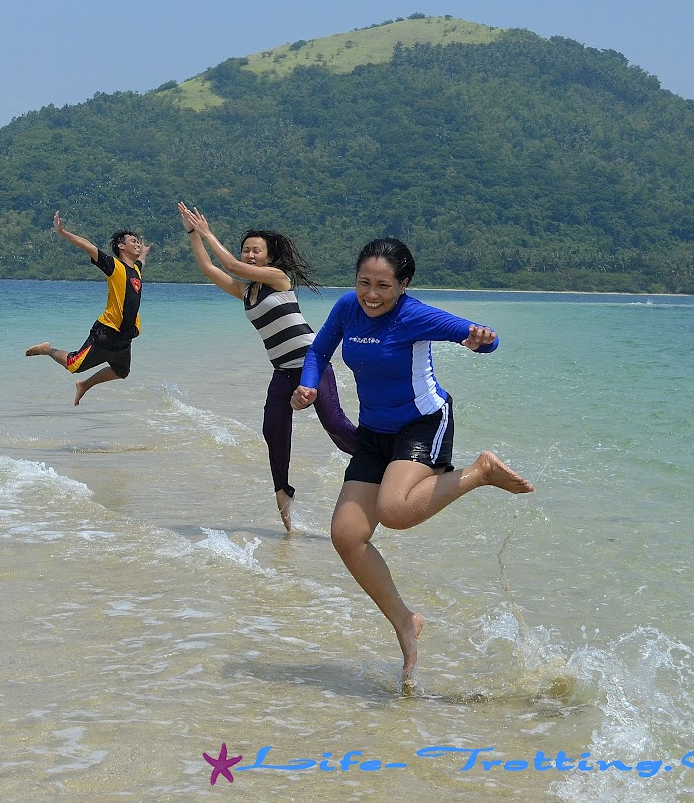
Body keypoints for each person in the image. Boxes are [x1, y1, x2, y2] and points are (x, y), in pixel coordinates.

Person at [292, 237, 533, 677]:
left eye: (383, 285)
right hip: (374, 433)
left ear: (403, 284)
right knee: (347, 535)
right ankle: (405, 621)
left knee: (396, 511)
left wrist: (481, 340)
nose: (371, 293)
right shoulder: (347, 307)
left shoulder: (414, 315)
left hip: (422, 423)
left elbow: (482, 339)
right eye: (364, 282)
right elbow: (318, 351)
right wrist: (309, 384)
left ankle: (479, 472)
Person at [177, 202, 357, 532]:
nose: (248, 256)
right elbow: (210, 268)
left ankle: (380, 458)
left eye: (255, 251)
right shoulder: (246, 292)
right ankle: (283, 491)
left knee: (335, 424)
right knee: (272, 430)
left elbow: (228, 263)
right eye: (245, 250)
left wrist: (207, 231)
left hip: (311, 363)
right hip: (282, 371)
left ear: (269, 257)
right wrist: (194, 235)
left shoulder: (278, 278)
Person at [26, 211, 148, 405]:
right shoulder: (114, 266)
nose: (137, 244)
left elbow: (141, 259)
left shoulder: (137, 271)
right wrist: (63, 232)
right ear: (121, 246)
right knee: (73, 365)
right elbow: (89, 246)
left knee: (121, 372)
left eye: (138, 242)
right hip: (106, 333)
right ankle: (47, 350)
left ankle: (84, 385)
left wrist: (145, 252)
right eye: (133, 241)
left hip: (125, 338)